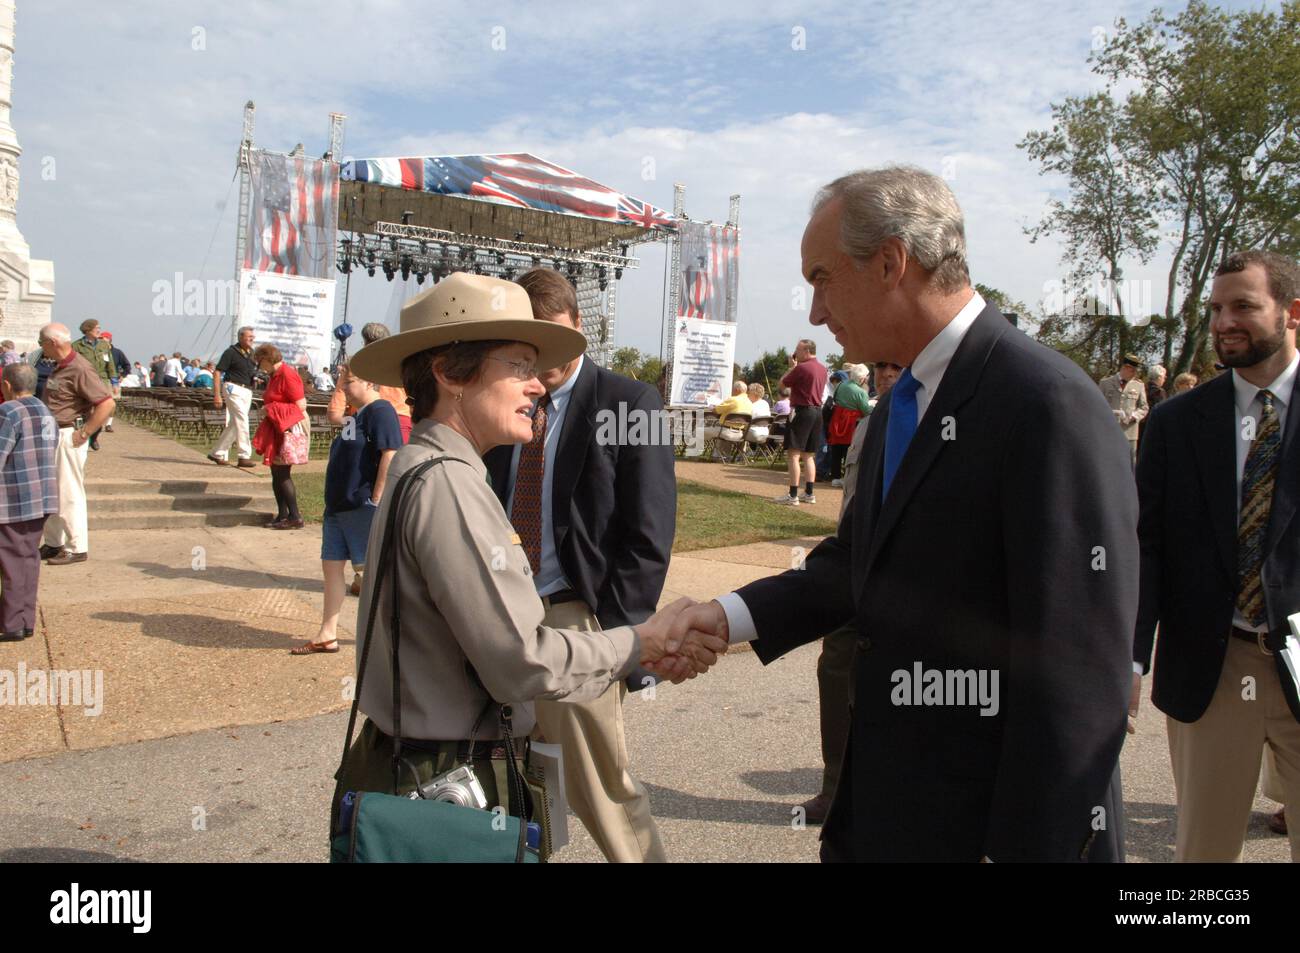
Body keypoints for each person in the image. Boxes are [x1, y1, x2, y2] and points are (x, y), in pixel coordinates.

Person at [671, 165, 1137, 862]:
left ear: (891, 262)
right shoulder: (901, 405)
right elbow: (856, 566)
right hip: (889, 818)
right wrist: (728, 615)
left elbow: (1079, 676)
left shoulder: (1046, 403)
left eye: (822, 277)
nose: (814, 311)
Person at [332, 272, 723, 840]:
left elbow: (646, 532)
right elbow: (521, 661)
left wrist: (621, 632)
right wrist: (645, 640)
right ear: (449, 373)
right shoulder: (450, 484)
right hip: (448, 781)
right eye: (517, 365)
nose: (535, 384)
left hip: (438, 749)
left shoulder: (427, 465)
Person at [484, 268, 677, 863]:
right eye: (530, 342)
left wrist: (620, 637)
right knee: (508, 783)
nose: (543, 358)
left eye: (556, 338)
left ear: (580, 329)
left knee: (603, 789)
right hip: (500, 619)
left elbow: (649, 535)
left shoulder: (630, 402)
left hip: (576, 622)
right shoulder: (503, 403)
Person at [1131, 249, 1300, 862]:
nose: (1225, 321)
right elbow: (1145, 544)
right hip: (1214, 665)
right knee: (1203, 858)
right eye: (1216, 309)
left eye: (1244, 306)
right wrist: (1130, 658)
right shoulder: (1176, 423)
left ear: (1292, 312)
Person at [800, 359, 901, 823]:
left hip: (906, 585)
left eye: (896, 366)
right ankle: (834, 786)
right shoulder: (870, 422)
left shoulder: (935, 420)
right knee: (836, 670)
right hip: (853, 571)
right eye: (881, 367)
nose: (886, 373)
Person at [294, 370, 402, 655]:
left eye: (349, 382)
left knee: (371, 573)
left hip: (360, 506)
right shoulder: (357, 415)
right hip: (337, 506)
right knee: (332, 568)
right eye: (342, 383)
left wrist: (377, 499)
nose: (343, 388)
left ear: (369, 381)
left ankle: (393, 638)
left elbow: (390, 454)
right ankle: (327, 634)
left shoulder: (381, 411)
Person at [36, 323, 115, 566]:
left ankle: (77, 546)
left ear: (54, 343)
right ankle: (54, 542)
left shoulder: (79, 368)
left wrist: (85, 433)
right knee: (52, 492)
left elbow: (106, 403)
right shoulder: (61, 367)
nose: (41, 348)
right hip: (53, 434)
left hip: (68, 434)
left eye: (42, 343)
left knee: (69, 493)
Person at [0, 364, 58, 641]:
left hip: (13, 497)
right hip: (43, 495)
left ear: (8, 385)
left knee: (12, 560)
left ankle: (11, 623)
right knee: (28, 559)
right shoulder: (46, 412)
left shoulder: (8, 411)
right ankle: (25, 619)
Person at [250, 343, 308, 529]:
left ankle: (295, 516)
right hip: (277, 426)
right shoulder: (273, 376)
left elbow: (300, 405)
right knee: (276, 472)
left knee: (283, 473)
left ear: (268, 359)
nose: (259, 366)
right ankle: (283, 514)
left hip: (289, 427)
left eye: (260, 362)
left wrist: (271, 408)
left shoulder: (287, 374)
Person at [329, 322, 413, 445]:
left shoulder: (354, 368)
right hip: (401, 427)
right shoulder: (402, 366)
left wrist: (353, 427)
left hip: (362, 427)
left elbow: (334, 414)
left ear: (365, 344)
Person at [774, 339, 827, 505]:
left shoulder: (802, 368)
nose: (795, 353)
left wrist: (792, 367)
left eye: (797, 349)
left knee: (794, 454)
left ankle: (793, 495)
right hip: (817, 411)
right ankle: (809, 493)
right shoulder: (823, 368)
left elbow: (782, 385)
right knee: (809, 455)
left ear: (806, 351)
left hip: (802, 411)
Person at [208, 327, 258, 468]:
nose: (252, 339)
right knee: (242, 420)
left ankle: (217, 453)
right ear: (241, 337)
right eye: (249, 336)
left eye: (253, 337)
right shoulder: (231, 352)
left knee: (235, 424)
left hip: (246, 390)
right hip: (233, 387)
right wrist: (217, 394)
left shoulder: (252, 354)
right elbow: (217, 372)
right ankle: (244, 455)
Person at [71, 320, 114, 451]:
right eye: (97, 328)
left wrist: (114, 380)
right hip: (85, 381)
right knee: (87, 412)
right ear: (88, 330)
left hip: (102, 380)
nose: (99, 330)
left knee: (103, 412)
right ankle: (84, 436)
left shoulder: (104, 345)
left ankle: (94, 436)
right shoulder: (76, 346)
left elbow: (110, 363)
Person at [1099, 354, 1149, 466]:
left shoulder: (1138, 385)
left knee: (1129, 464)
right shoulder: (1105, 383)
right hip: (1109, 431)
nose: (1134, 375)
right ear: (1125, 368)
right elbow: (1097, 405)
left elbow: (1144, 407)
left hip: (1130, 433)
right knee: (1108, 462)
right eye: (1133, 371)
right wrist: (1111, 413)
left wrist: (1133, 416)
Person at [827, 363, 871, 486]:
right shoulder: (860, 392)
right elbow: (866, 410)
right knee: (849, 450)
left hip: (837, 419)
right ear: (862, 379)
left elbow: (835, 399)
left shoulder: (841, 385)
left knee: (836, 449)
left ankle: (835, 476)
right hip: (851, 422)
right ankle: (847, 476)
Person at [104, 331, 128, 433]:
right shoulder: (97, 352)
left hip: (113, 381)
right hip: (99, 380)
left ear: (109, 340)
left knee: (112, 404)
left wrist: (122, 375)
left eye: (104, 339)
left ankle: (108, 424)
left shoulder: (117, 352)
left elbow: (127, 365)